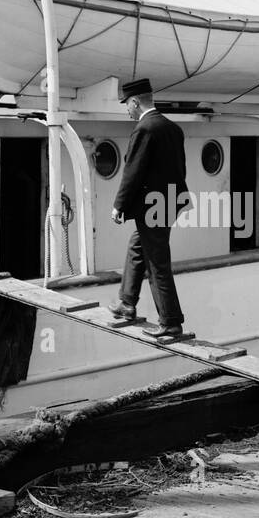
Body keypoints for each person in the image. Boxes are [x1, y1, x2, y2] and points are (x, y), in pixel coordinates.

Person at [108, 78, 188, 338]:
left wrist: (119, 205)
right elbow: (180, 170)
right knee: (137, 248)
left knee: (157, 263)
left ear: (135, 102)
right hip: (170, 202)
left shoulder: (145, 129)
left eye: (127, 106)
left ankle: (170, 322)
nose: (127, 111)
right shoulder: (173, 129)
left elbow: (133, 172)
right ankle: (126, 303)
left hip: (153, 207)